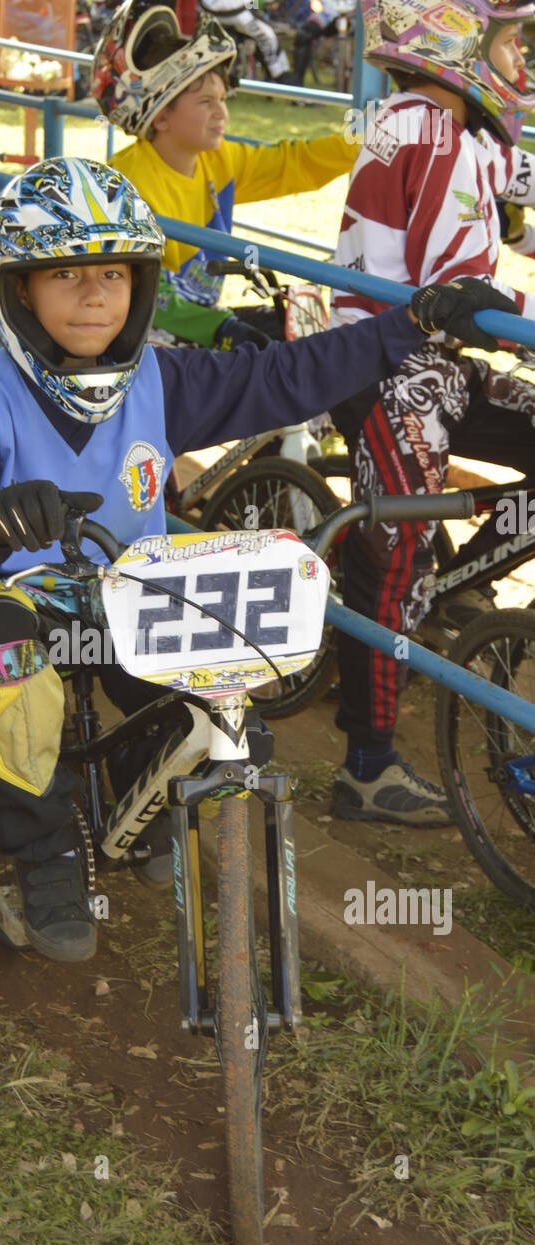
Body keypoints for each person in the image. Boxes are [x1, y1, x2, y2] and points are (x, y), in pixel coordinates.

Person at [0, 154, 507, 962]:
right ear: (20, 288)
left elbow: (286, 375)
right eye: (66, 274)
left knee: (235, 726)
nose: (94, 295)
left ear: (139, 285)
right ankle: (46, 852)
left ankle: (149, 797)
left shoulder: (162, 377)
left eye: (113, 274)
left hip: (134, 589)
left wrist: (415, 320)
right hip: (26, 596)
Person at [328, 0, 535, 827]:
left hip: (403, 357)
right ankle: (366, 767)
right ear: (453, 35)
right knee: (392, 552)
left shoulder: (422, 121)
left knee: (407, 553)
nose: (521, 57)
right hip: (395, 365)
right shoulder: (439, 136)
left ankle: (446, 592)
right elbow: (463, 291)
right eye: (511, 38)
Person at [92, 0, 356, 349]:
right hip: (145, 341)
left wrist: (367, 144)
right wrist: (221, 327)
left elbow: (293, 163)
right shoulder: (125, 185)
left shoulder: (219, 159)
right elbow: (133, 292)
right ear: (161, 117)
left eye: (222, 99)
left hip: (201, 326)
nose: (222, 114)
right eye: (206, 103)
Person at [199, 0, 291, 82]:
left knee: (228, 46)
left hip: (211, 11)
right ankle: (282, 77)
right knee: (268, 37)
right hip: (237, 11)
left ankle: (229, 78)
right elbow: (249, 5)